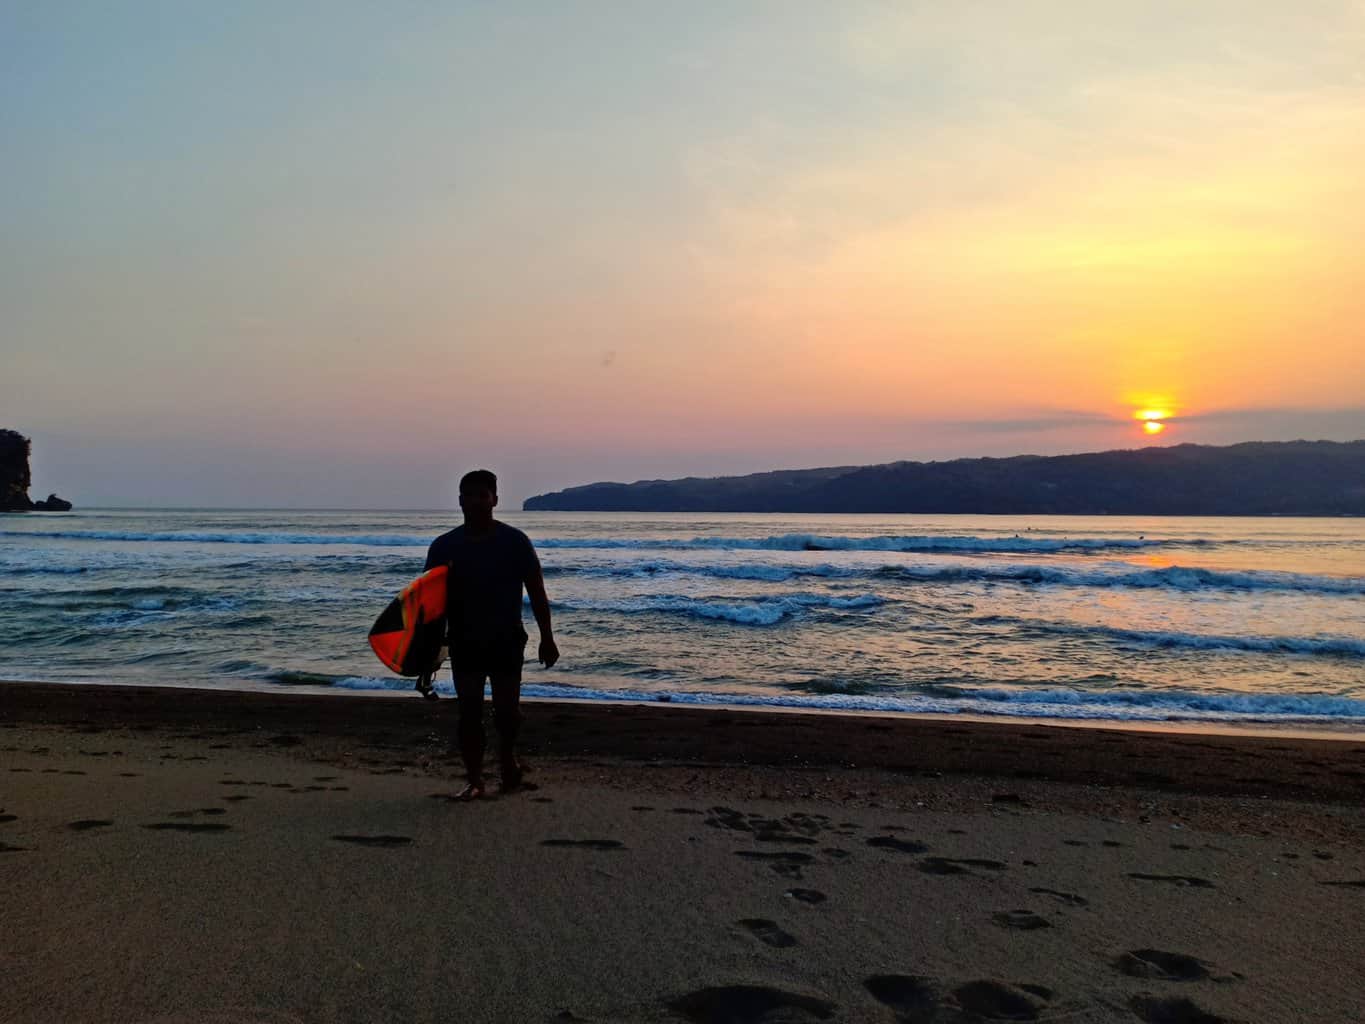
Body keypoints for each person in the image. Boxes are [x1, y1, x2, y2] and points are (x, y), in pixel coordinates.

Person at [424, 469, 558, 799]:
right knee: (469, 713)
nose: (475, 501)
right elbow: (428, 606)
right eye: (468, 495)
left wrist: (548, 637)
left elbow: (537, 592)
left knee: (508, 713)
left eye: (482, 495)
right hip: (464, 641)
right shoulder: (443, 547)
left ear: (495, 499)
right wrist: (426, 653)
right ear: (459, 501)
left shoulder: (515, 542)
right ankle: (474, 780)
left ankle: (508, 762)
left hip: (506, 639)